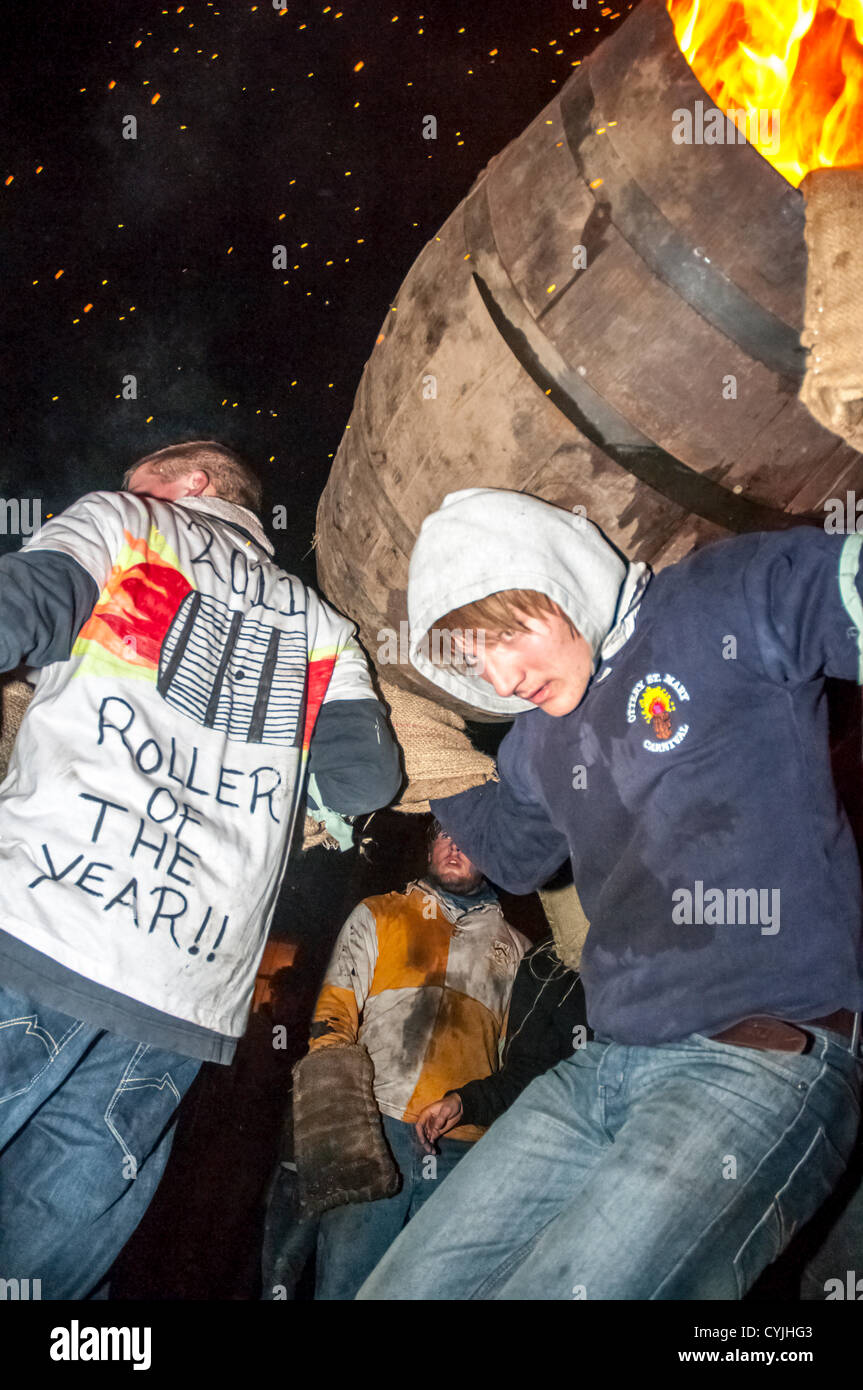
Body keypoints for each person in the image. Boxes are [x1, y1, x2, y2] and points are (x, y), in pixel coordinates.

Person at [356, 486, 863, 1301]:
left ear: (565, 579)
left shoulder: (724, 596)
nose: (500, 674)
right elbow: (515, 856)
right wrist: (424, 745)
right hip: (597, 1069)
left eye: (508, 632)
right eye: (472, 655)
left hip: (756, 1056)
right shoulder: (533, 743)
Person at [0, 439, 401, 1299]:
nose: (120, 487)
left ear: (190, 484)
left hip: (37, 924)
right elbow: (366, 779)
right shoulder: (322, 626)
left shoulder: (127, 526)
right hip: (181, 994)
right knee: (42, 1260)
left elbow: (16, 610)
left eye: (138, 477)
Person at [307, 819, 529, 1299]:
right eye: (445, 836)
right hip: (375, 1126)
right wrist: (339, 1114)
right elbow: (334, 1011)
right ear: (429, 849)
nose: (454, 846)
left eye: (470, 840)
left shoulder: (517, 952)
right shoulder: (379, 913)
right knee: (347, 1284)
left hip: (465, 1148)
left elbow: (520, 1063)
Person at [414, 937, 590, 1150]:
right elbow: (525, 1073)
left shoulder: (638, 953)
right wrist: (464, 1103)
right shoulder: (545, 962)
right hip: (570, 1143)